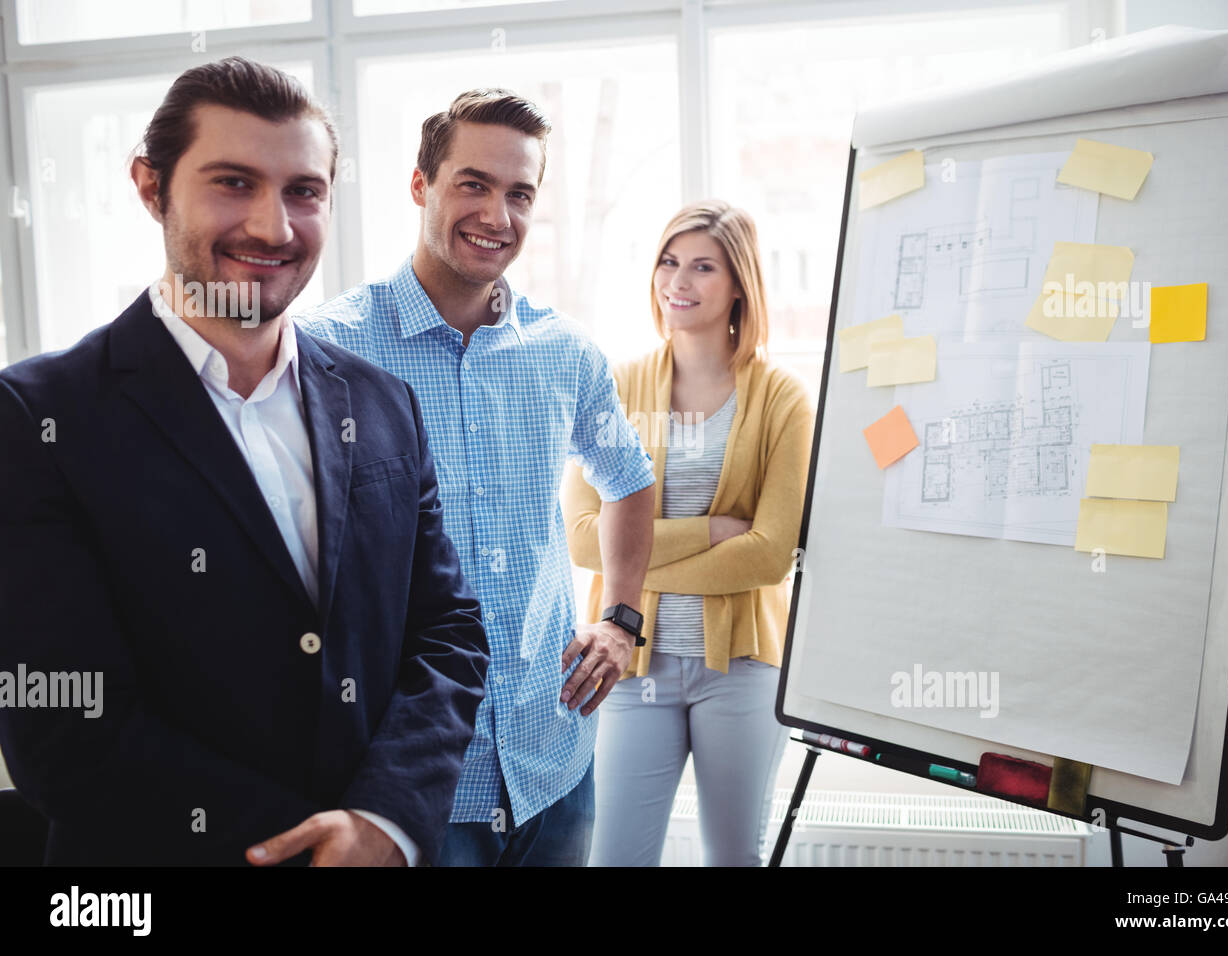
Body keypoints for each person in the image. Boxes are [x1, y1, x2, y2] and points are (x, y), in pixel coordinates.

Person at [0, 57, 490, 866]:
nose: (273, 227)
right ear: (150, 187)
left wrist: (386, 821)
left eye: (304, 191)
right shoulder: (36, 416)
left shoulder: (384, 402)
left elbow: (447, 629)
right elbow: (64, 724)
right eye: (233, 182)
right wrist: (315, 848)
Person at [298, 89, 655, 866]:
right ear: (422, 185)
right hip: (414, 780)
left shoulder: (566, 352)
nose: (497, 214)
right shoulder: (326, 351)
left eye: (519, 193)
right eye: (473, 184)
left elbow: (629, 476)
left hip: (551, 756)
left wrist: (621, 619)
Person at [561, 200, 814, 866]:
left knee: (733, 858)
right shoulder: (614, 385)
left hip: (741, 671)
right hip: (628, 663)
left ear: (739, 284)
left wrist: (636, 555)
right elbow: (585, 541)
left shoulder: (782, 398)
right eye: (669, 262)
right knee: (616, 857)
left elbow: (767, 558)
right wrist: (710, 532)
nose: (679, 280)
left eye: (703, 266)